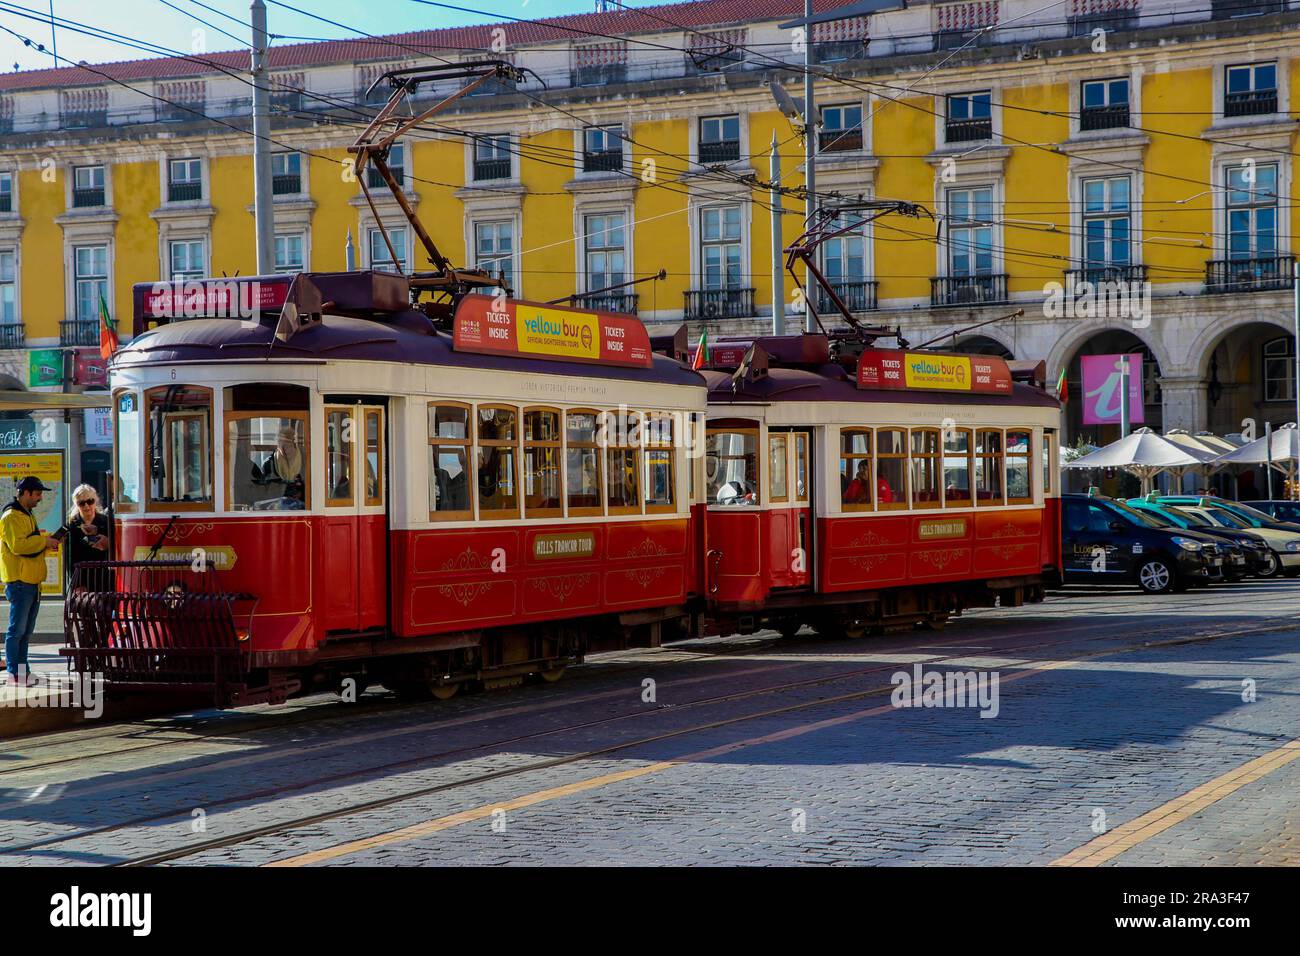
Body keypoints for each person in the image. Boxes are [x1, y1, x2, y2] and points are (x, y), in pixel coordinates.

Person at [1, 476, 58, 686]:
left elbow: (28, 544)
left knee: (25, 631)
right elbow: (18, 546)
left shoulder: (26, 514)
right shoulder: (11, 516)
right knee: (17, 630)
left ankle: (22, 672)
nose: (40, 498)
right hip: (19, 581)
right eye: (37, 493)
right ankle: (14, 673)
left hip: (31, 581)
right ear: (25, 493)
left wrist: (46, 544)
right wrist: (43, 541)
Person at [64, 484, 112, 592]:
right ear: (76, 505)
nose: (86, 506)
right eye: (81, 503)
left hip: (104, 578)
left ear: (96, 501)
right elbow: (69, 558)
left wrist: (108, 544)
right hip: (81, 580)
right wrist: (77, 583)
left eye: (90, 501)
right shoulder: (71, 525)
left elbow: (116, 550)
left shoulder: (107, 522)